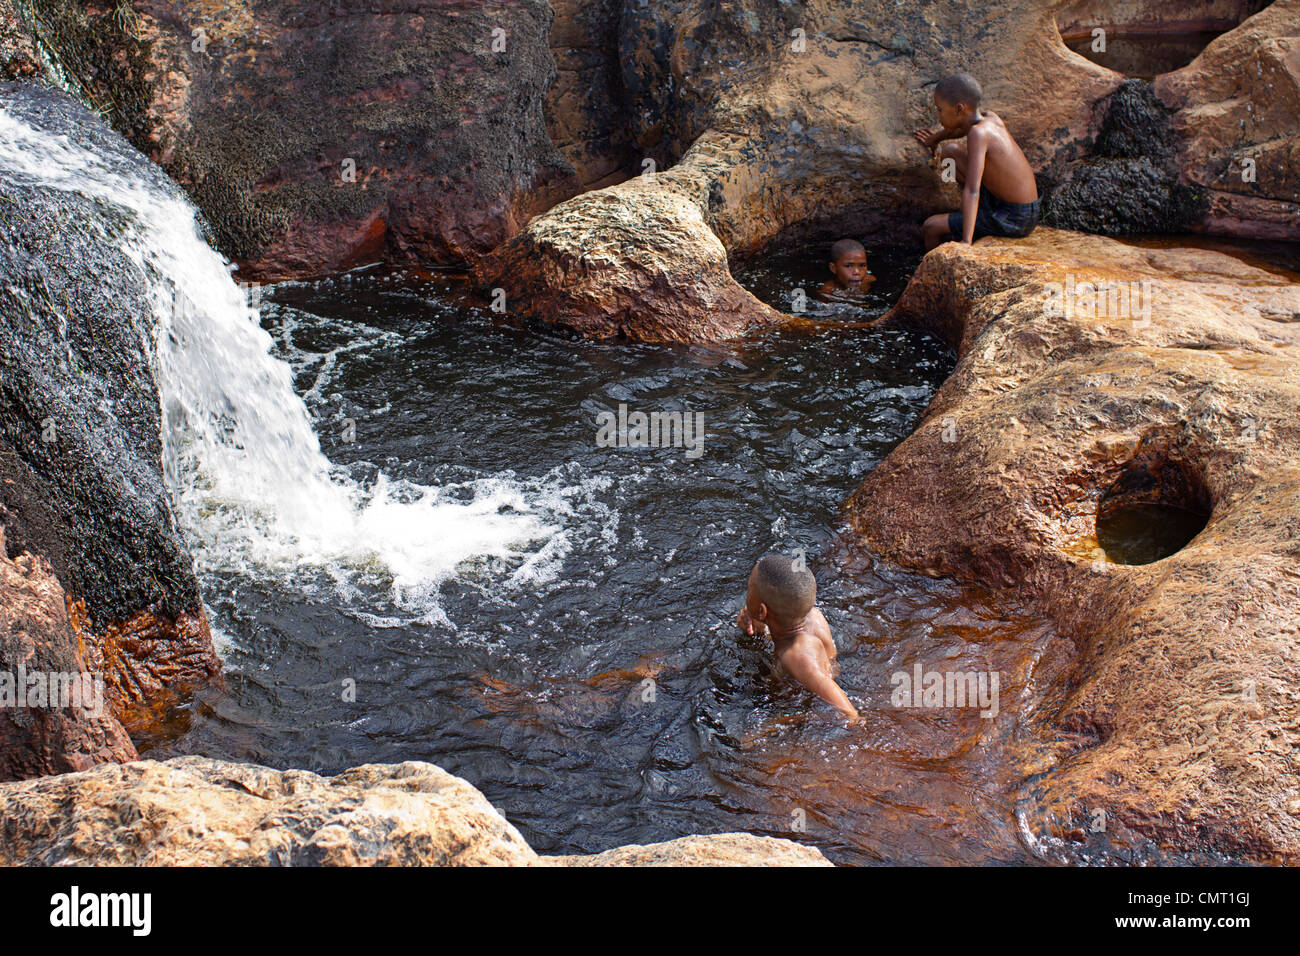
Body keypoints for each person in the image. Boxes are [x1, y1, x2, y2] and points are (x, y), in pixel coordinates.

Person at [914, 73, 1040, 250]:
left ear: (959, 109)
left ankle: (931, 272)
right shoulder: (990, 118)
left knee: (931, 226)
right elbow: (959, 129)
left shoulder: (978, 134)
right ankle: (962, 212)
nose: (938, 115)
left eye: (940, 109)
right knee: (950, 152)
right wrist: (935, 139)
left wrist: (966, 241)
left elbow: (972, 190)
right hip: (1021, 207)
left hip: (1015, 217)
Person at [736, 554, 860, 722]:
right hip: (819, 677)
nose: (747, 592)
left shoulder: (797, 656)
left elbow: (849, 714)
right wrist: (761, 626)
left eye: (749, 589)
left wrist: (775, 725)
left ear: (762, 611)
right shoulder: (812, 615)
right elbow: (783, 628)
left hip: (804, 702)